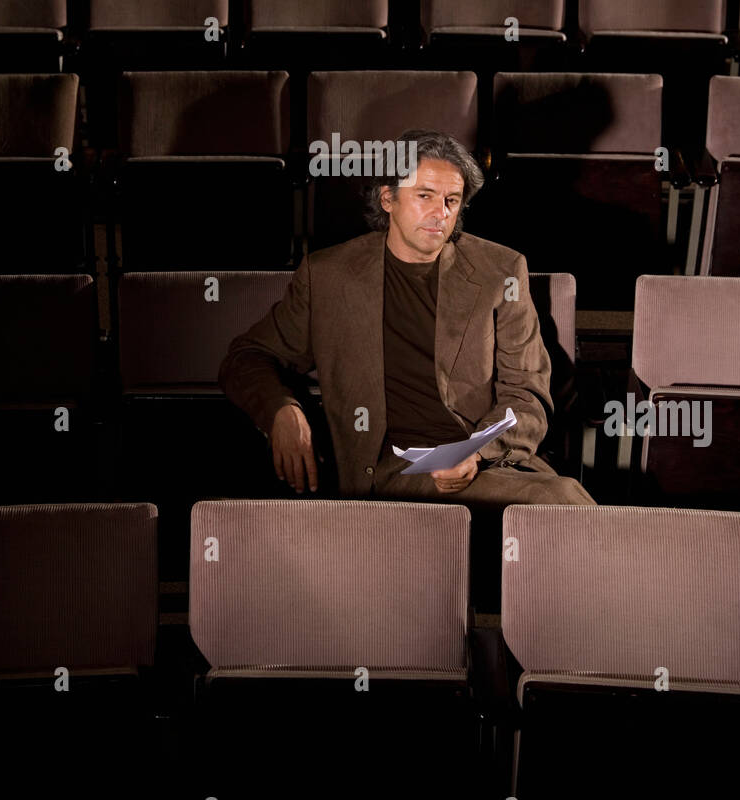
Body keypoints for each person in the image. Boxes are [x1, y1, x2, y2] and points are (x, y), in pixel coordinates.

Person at [219, 129, 595, 606]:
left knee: (565, 504)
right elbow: (246, 357)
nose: (440, 213)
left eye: (452, 201)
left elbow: (528, 396)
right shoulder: (329, 275)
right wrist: (280, 410)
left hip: (481, 459)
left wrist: (475, 451)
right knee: (562, 502)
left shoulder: (501, 271)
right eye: (424, 196)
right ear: (388, 199)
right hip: (387, 468)